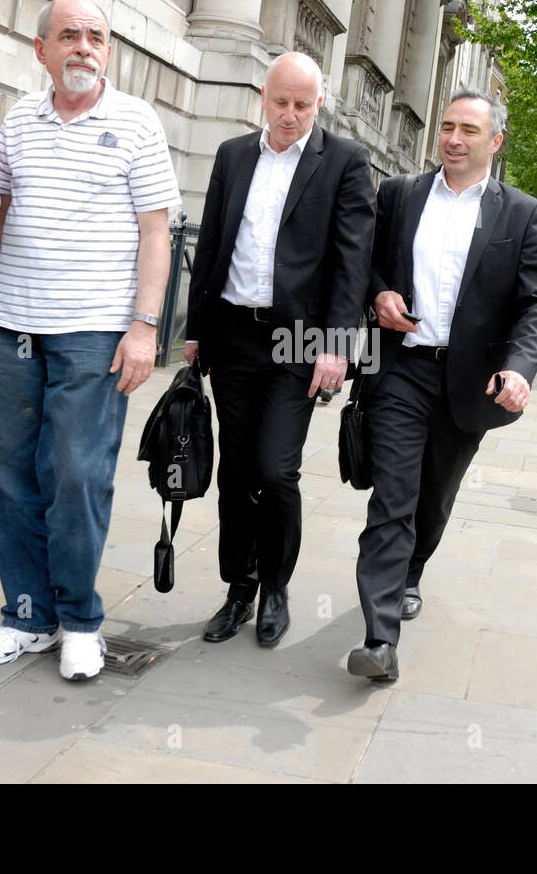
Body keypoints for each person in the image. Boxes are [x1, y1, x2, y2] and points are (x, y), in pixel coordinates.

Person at [0, 0, 180, 680]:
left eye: (96, 37)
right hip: (14, 323)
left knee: (77, 474)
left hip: (94, 331)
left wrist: (144, 327)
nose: (84, 47)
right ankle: (27, 616)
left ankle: (80, 619)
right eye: (70, 36)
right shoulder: (20, 119)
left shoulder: (138, 122)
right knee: (5, 473)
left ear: (107, 52)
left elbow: (156, 232)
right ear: (41, 50)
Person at [347, 88, 537, 682]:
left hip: (470, 380)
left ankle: (411, 571)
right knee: (393, 496)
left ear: (494, 142)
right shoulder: (400, 194)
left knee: (434, 496)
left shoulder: (520, 212)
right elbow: (368, 262)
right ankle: (378, 638)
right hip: (402, 368)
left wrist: (520, 367)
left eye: (468, 130)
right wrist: (379, 293)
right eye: (447, 127)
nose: (454, 140)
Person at [184, 52, 374, 648]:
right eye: (280, 103)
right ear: (262, 97)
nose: (290, 116)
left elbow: (352, 261)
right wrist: (196, 332)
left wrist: (338, 345)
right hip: (234, 334)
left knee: (275, 468)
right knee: (236, 472)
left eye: (303, 105)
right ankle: (237, 588)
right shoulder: (233, 155)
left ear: (320, 103)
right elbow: (212, 243)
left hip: (299, 340)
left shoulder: (344, 161)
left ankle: (275, 587)